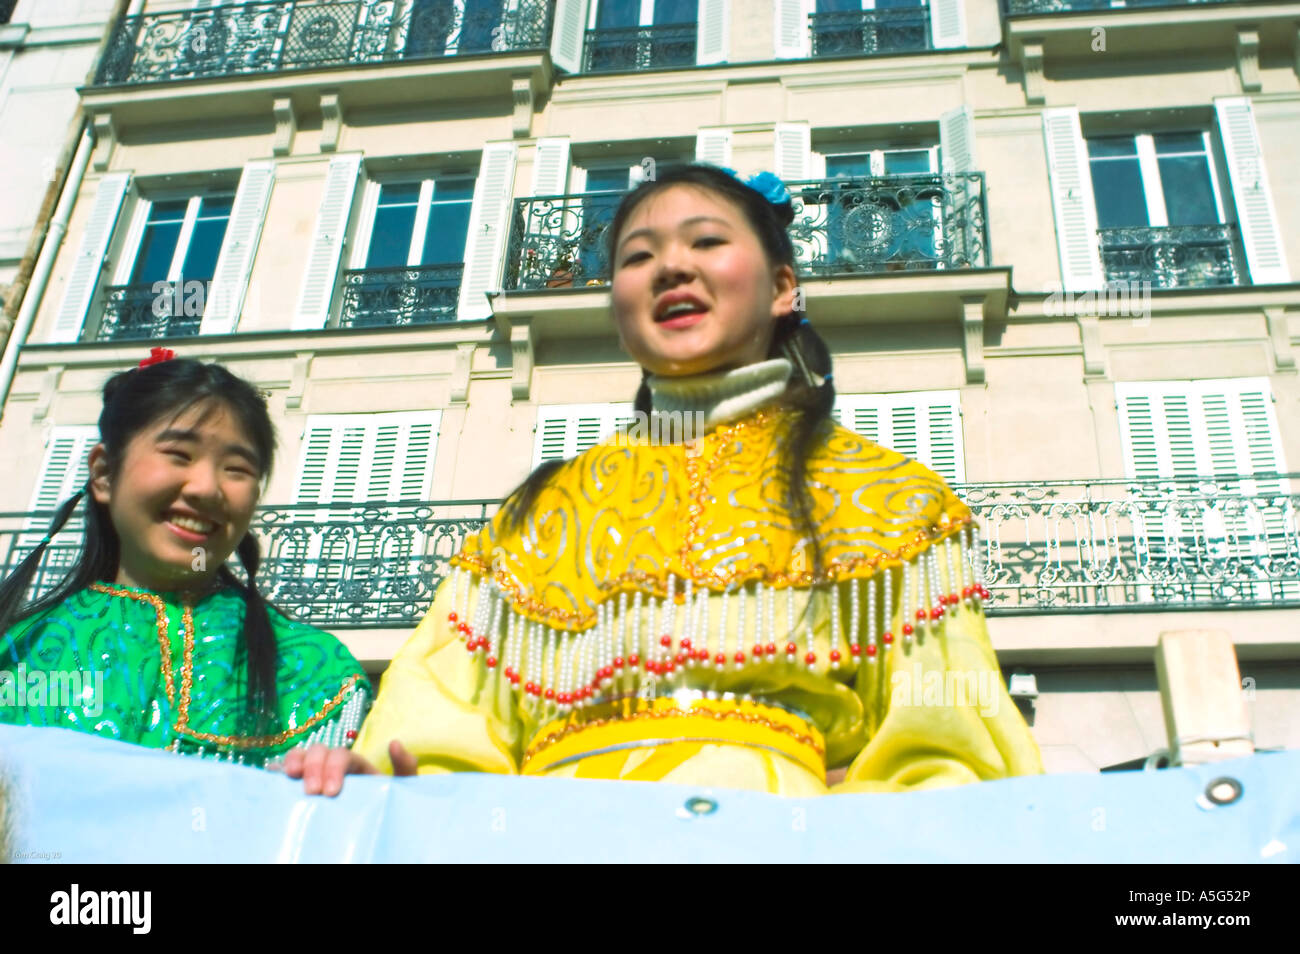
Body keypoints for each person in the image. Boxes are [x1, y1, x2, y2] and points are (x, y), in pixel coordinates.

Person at [295, 163, 1043, 796]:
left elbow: (947, 759)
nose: (671, 268)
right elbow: (437, 724)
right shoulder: (539, 517)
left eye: (708, 242)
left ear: (784, 287)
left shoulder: (890, 496)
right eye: (637, 257)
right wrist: (386, 785)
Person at [0, 351, 371, 776]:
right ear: (103, 473)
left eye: (237, 468)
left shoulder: (318, 676)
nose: (206, 488)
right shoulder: (18, 654)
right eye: (179, 454)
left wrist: (361, 794)